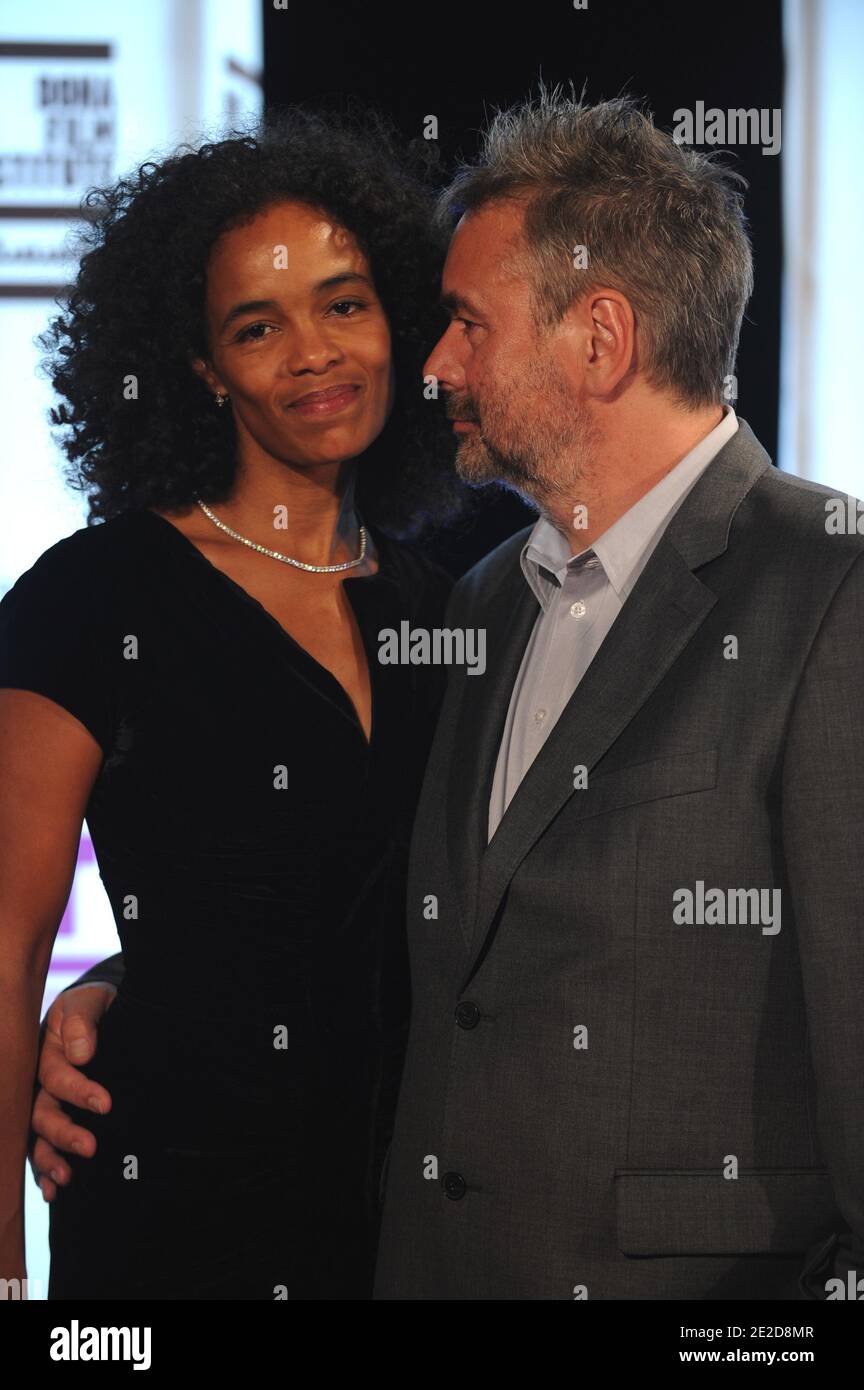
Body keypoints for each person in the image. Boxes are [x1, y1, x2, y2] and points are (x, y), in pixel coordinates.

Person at [32, 88, 864, 1304]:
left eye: (467, 325)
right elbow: (373, 918)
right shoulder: (476, 608)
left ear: (600, 338)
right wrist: (130, 986)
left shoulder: (828, 587)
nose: (435, 362)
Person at [0, 106, 465, 1300]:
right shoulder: (92, 594)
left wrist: (98, 988)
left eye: (345, 303)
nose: (315, 352)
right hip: (170, 1231)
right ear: (202, 366)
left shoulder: (455, 605)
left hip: (409, 1235)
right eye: (259, 325)